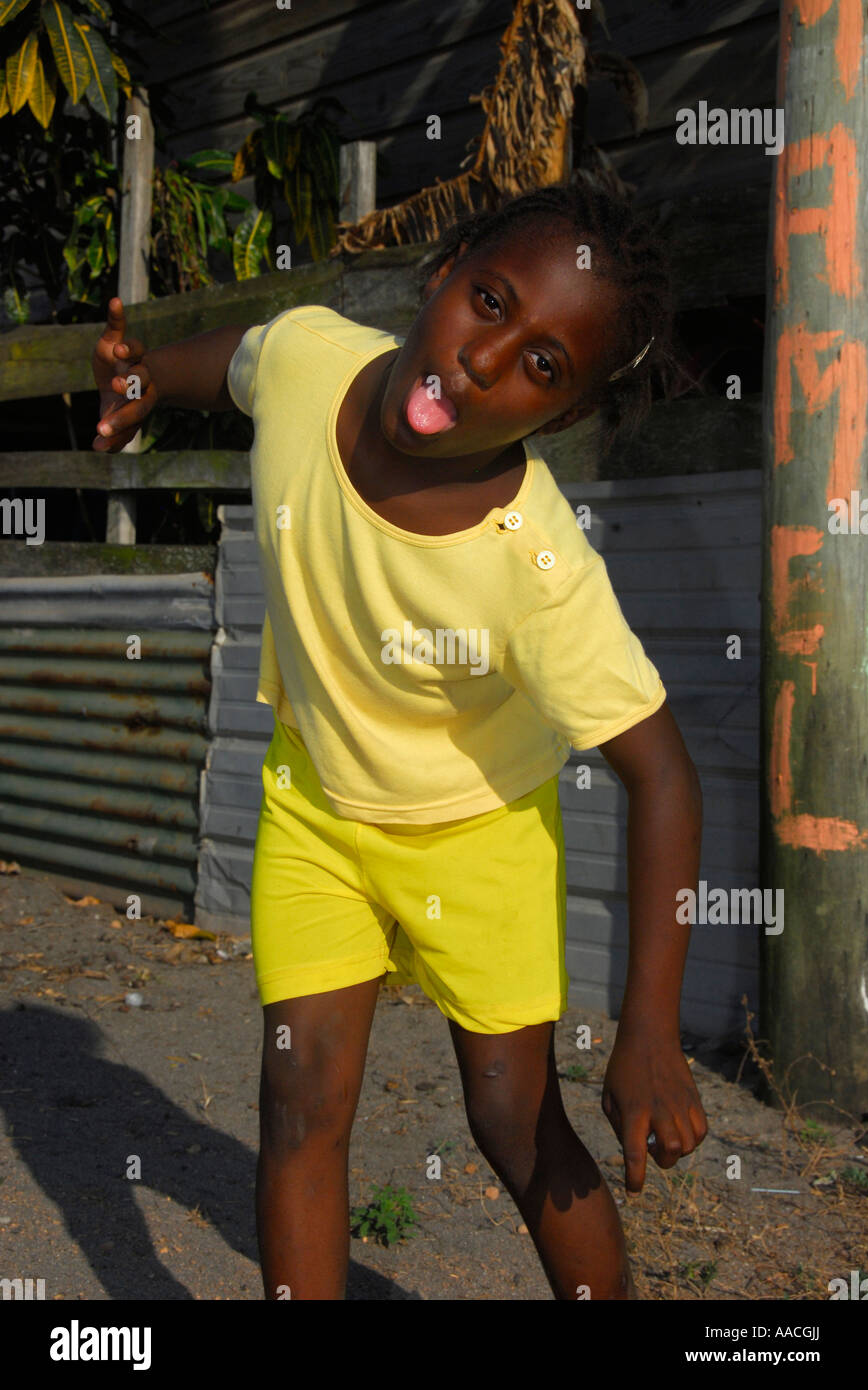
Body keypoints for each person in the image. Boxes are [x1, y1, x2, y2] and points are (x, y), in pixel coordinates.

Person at [92, 180, 707, 1301]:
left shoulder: (537, 567)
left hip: (477, 840)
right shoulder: (314, 362)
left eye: (540, 366)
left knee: (513, 1126)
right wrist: (143, 380)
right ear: (443, 269)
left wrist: (651, 1027)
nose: (484, 359)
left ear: (557, 419)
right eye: (489, 300)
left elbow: (659, 768)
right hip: (318, 810)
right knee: (299, 1104)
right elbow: (240, 356)